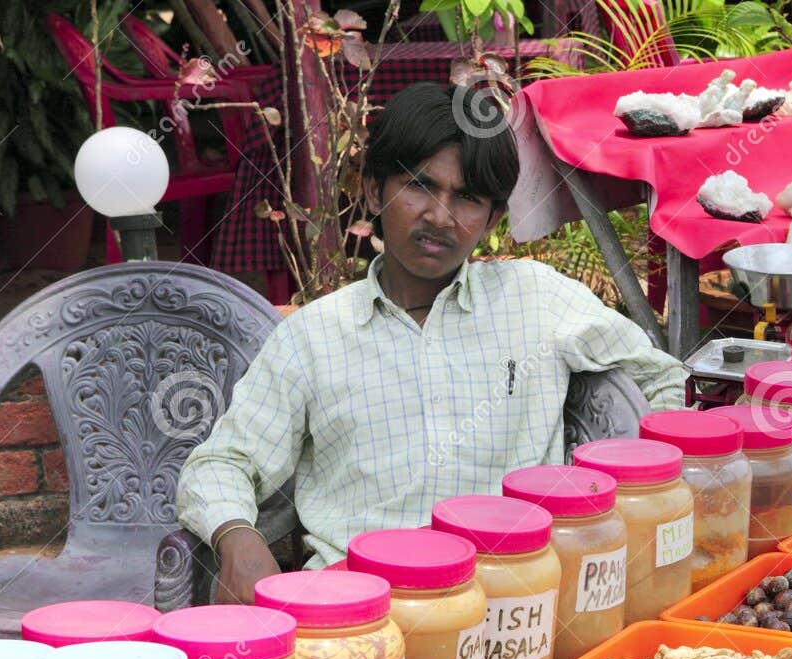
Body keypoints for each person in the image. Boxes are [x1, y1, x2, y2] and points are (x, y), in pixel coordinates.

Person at [177, 82, 686, 604]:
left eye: (466, 198)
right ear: (375, 192)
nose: (440, 216)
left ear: (491, 219)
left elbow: (661, 378)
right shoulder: (313, 337)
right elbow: (221, 463)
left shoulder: (537, 300)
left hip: (512, 597)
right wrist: (237, 537)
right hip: (354, 607)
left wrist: (635, 497)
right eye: (420, 185)